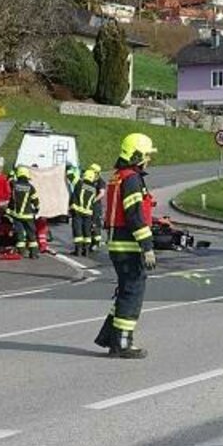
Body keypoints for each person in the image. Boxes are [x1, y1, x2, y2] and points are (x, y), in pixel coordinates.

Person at [96, 132, 156, 358]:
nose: (148, 160)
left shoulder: (118, 176)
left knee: (125, 290)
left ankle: (110, 337)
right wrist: (147, 246)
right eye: (147, 155)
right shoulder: (131, 178)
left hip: (118, 244)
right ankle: (122, 343)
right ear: (137, 154)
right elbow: (133, 215)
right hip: (129, 245)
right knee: (133, 291)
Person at [11, 166, 49, 258]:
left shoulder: (14, 186)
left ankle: (20, 252)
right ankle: (34, 253)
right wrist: (37, 208)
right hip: (28, 215)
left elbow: (11, 200)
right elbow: (35, 200)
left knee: (20, 234)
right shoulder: (30, 187)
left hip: (17, 215)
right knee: (31, 233)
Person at [70, 163, 101, 255]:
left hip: (77, 211)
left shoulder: (79, 183)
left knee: (77, 229)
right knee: (86, 231)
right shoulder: (94, 189)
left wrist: (68, 167)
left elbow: (70, 176)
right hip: (88, 213)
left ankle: (78, 250)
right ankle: (86, 250)